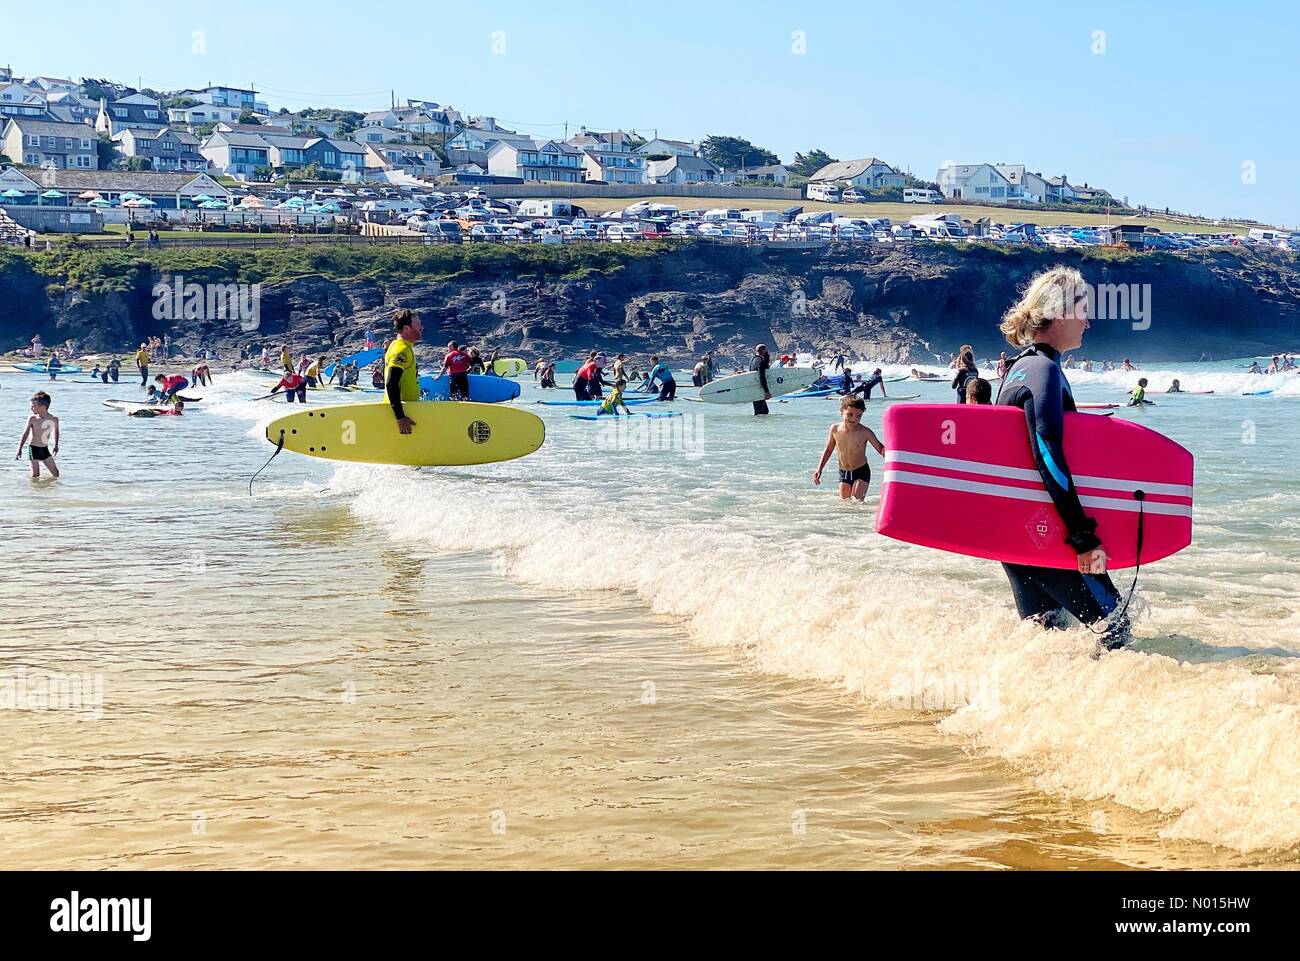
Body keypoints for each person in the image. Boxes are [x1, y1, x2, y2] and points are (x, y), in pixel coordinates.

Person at [996, 266, 1130, 651]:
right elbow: (1048, 455)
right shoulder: (1044, 372)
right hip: (1050, 534)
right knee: (1117, 627)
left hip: (1019, 534)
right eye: (1083, 310)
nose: (1087, 322)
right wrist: (1083, 537)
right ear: (1060, 312)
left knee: (1045, 640)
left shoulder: (1018, 369)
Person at [812, 396, 885, 501]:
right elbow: (828, 449)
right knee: (846, 504)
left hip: (861, 471)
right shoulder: (835, 429)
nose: (854, 419)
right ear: (841, 411)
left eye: (858, 416)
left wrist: (894, 459)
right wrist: (819, 469)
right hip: (843, 472)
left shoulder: (865, 432)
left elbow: (881, 449)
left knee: (857, 501)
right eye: (850, 414)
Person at [384, 309, 422, 434]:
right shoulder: (402, 350)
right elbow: (391, 384)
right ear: (406, 328)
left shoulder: (397, 345)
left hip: (406, 410)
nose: (421, 327)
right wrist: (400, 417)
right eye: (418, 324)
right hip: (404, 415)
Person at [16, 391, 59, 479]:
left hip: (44, 449)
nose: (31, 408)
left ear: (42, 407)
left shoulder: (54, 419)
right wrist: (19, 449)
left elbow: (56, 432)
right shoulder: (32, 419)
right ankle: (33, 492)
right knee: (36, 475)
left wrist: (56, 445)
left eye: (33, 406)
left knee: (56, 474)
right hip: (33, 449)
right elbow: (25, 433)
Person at [750, 344, 772, 415]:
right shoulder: (760, 361)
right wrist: (766, 391)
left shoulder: (753, 360)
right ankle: (758, 425)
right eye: (765, 350)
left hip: (753, 388)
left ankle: (759, 425)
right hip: (759, 389)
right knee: (761, 413)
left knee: (764, 412)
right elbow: (762, 377)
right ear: (763, 351)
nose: (766, 352)